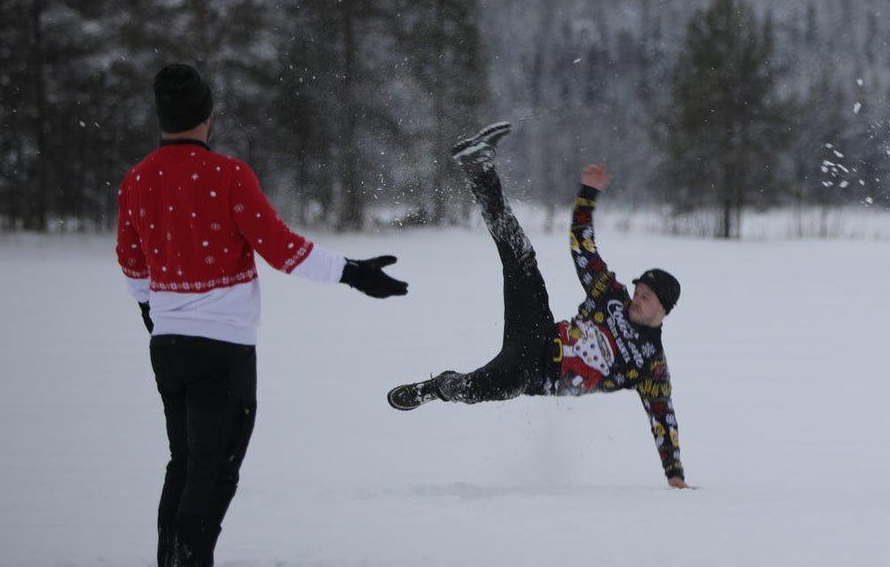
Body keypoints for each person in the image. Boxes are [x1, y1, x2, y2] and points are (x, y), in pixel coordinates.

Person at [116, 64, 408, 567]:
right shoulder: (227, 175)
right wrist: (353, 273)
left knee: (185, 466)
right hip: (222, 349)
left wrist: (152, 309)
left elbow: (130, 259)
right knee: (213, 472)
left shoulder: (139, 179)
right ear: (209, 117)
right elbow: (279, 247)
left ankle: (172, 558)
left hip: (168, 349)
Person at [387, 121, 688, 489]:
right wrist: (587, 195)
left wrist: (675, 477)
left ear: (663, 311)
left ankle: (435, 388)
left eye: (646, 299)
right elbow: (582, 245)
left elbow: (663, 418)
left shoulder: (651, 364)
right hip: (538, 330)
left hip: (535, 374)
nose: (636, 300)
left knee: (474, 388)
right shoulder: (611, 296)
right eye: (638, 291)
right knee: (520, 257)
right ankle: (479, 168)